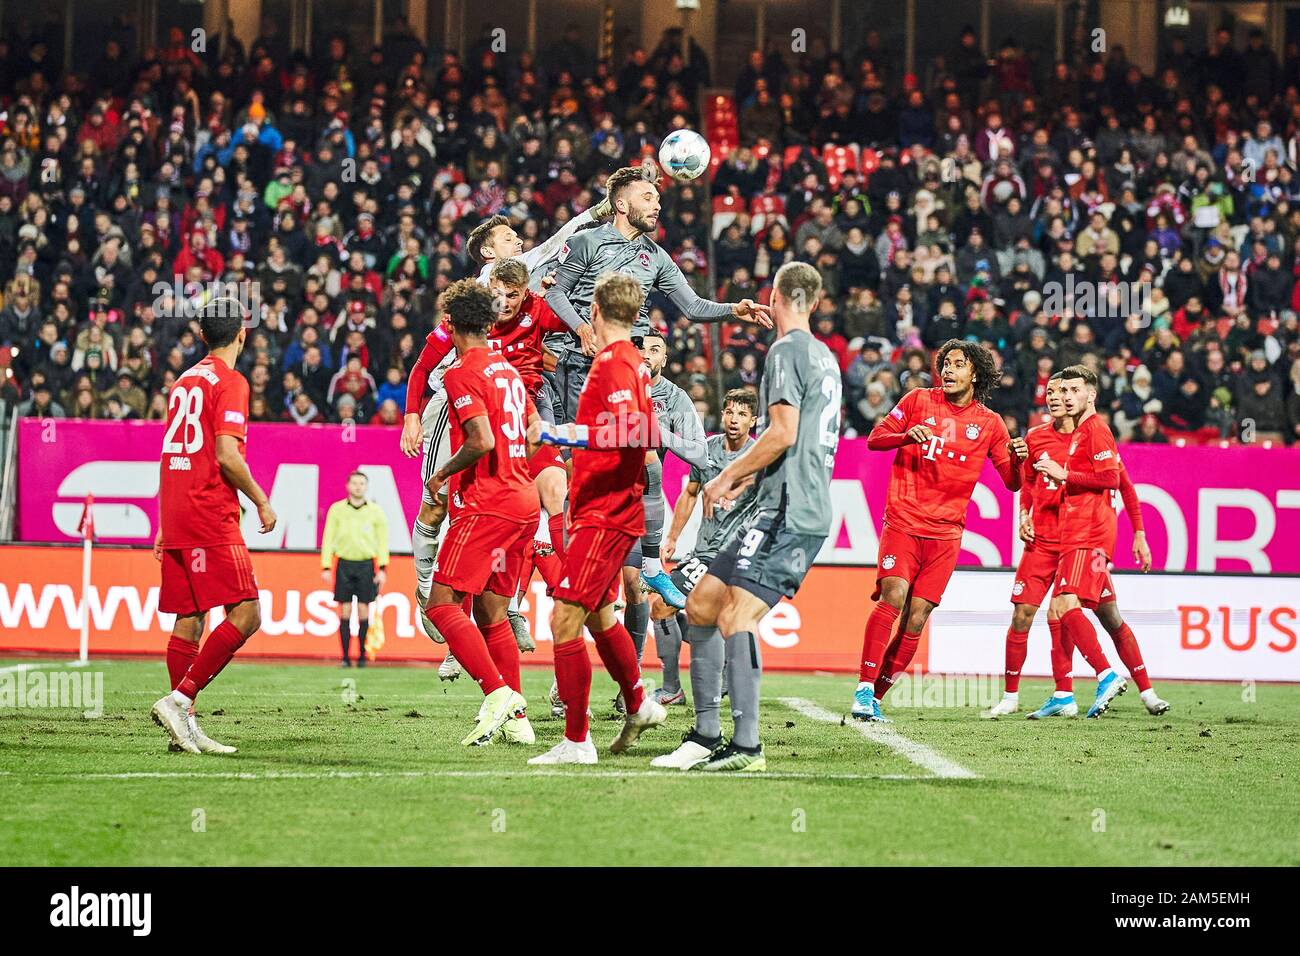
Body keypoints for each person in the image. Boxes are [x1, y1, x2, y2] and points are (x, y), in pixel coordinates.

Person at [544, 164, 771, 607]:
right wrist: (581, 330)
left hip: (630, 363)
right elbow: (554, 293)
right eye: (648, 197)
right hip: (581, 363)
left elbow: (692, 305)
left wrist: (734, 309)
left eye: (658, 198)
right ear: (622, 203)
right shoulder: (587, 242)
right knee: (580, 470)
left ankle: (651, 566)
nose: (658, 204)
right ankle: (573, 556)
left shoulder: (657, 257)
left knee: (646, 460)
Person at [652, 262, 841, 773]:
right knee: (701, 605)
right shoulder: (824, 356)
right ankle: (705, 733)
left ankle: (747, 746)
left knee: (738, 616)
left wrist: (725, 476)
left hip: (789, 510)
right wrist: (753, 482)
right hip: (779, 502)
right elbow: (800, 440)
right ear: (815, 302)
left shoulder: (784, 351)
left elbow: (781, 432)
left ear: (774, 296)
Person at [525, 272, 668, 765]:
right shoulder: (629, 362)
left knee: (563, 617)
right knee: (601, 615)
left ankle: (576, 740)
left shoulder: (614, 363)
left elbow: (635, 430)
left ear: (595, 311)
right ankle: (637, 701)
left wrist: (564, 433)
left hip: (605, 514)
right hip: (608, 508)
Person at [852, 339, 1029, 723]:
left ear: (975, 373)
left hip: (946, 535)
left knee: (917, 618)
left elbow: (1012, 483)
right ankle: (864, 686)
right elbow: (874, 439)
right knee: (893, 595)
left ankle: (876, 696)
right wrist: (905, 435)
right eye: (945, 364)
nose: (947, 371)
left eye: (958, 365)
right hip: (903, 521)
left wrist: (1021, 461)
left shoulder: (990, 424)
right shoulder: (918, 400)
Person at [985, 374, 1169, 719]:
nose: (1058, 397)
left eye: (1066, 391)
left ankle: (1141, 689)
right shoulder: (1038, 436)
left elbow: (1122, 484)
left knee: (1098, 614)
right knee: (1025, 614)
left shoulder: (1093, 435)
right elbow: (1028, 479)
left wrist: (1140, 532)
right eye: (1053, 391)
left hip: (1082, 539)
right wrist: (1024, 513)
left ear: (1086, 395)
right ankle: (1025, 696)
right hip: (1044, 541)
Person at [150, 298, 277, 754]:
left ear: (202, 336)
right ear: (242, 334)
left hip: (179, 508)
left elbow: (171, 451)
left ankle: (184, 725)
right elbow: (226, 453)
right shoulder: (231, 381)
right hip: (208, 510)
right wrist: (261, 500)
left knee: (190, 617)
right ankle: (180, 700)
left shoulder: (184, 380)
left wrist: (167, 517)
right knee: (247, 614)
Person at [421, 279, 541, 746]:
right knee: (493, 613)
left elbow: (481, 441)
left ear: (450, 324)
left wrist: (441, 475)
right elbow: (532, 429)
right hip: (523, 501)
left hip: (485, 504)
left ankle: (497, 694)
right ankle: (519, 722)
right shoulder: (507, 369)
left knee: (442, 605)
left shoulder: (461, 372)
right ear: (489, 323)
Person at [651, 388, 760, 706]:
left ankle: (672, 689)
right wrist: (671, 538)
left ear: (752, 421)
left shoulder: (759, 455)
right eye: (730, 412)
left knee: (661, 605)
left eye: (742, 414)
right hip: (702, 552)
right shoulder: (707, 449)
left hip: (733, 553)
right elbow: (690, 493)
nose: (734, 419)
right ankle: (721, 663)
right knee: (683, 612)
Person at [618, 327, 708, 691]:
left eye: (655, 349)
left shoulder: (674, 399)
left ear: (664, 360)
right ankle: (564, 687)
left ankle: (633, 680)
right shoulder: (613, 385)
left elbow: (700, 453)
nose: (647, 354)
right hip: (599, 497)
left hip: (642, 504)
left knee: (634, 587)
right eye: (641, 347)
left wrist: (659, 433)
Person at [320, 470, 390, 668]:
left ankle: (361, 657)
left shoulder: (376, 511)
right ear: (348, 486)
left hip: (366, 565)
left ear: (366, 487)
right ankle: (344, 657)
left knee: (363, 610)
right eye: (355, 483)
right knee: (344, 610)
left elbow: (382, 541)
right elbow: (328, 537)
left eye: (362, 483)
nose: (358, 486)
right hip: (344, 564)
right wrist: (326, 565)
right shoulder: (337, 509)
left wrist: (382, 568)